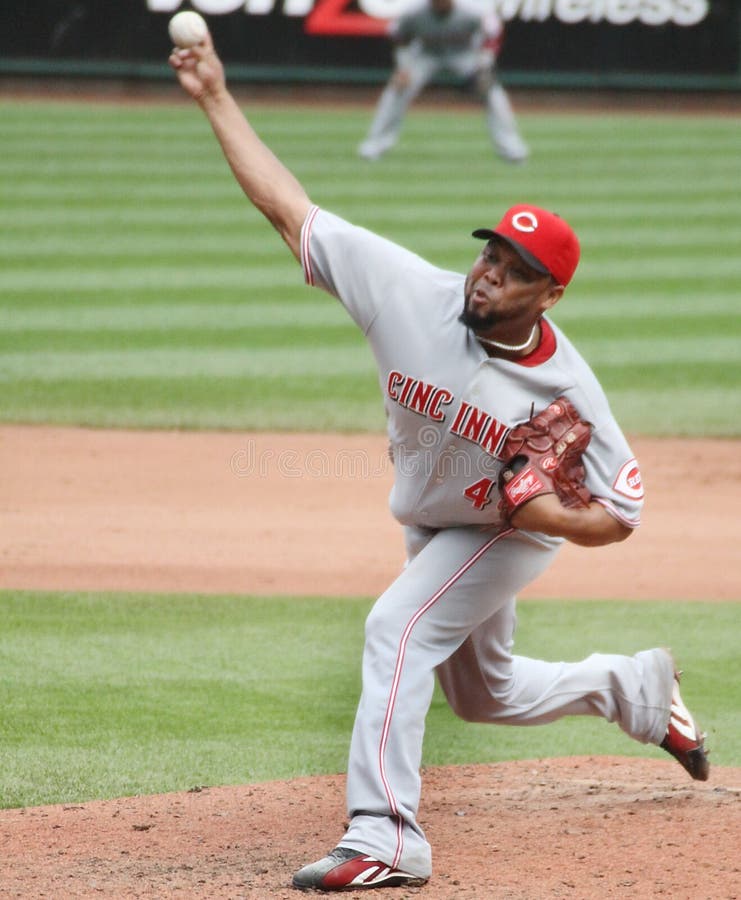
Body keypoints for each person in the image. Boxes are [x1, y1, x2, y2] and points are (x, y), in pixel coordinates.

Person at [169, 30, 710, 894]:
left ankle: (385, 836)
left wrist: (545, 516)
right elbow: (290, 211)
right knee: (482, 694)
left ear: (550, 294)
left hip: (502, 529)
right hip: (434, 516)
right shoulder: (409, 293)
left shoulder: (567, 397)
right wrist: (213, 96)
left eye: (515, 268)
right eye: (490, 251)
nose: (488, 274)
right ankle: (632, 688)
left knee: (398, 628)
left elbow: (621, 513)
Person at [357, 0, 528, 163]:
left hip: (463, 53)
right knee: (397, 90)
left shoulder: (472, 8)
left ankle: (512, 149)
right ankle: (374, 146)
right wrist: (403, 68)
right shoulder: (414, 9)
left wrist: (484, 65)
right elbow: (398, 36)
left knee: (492, 93)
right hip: (425, 54)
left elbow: (493, 34)